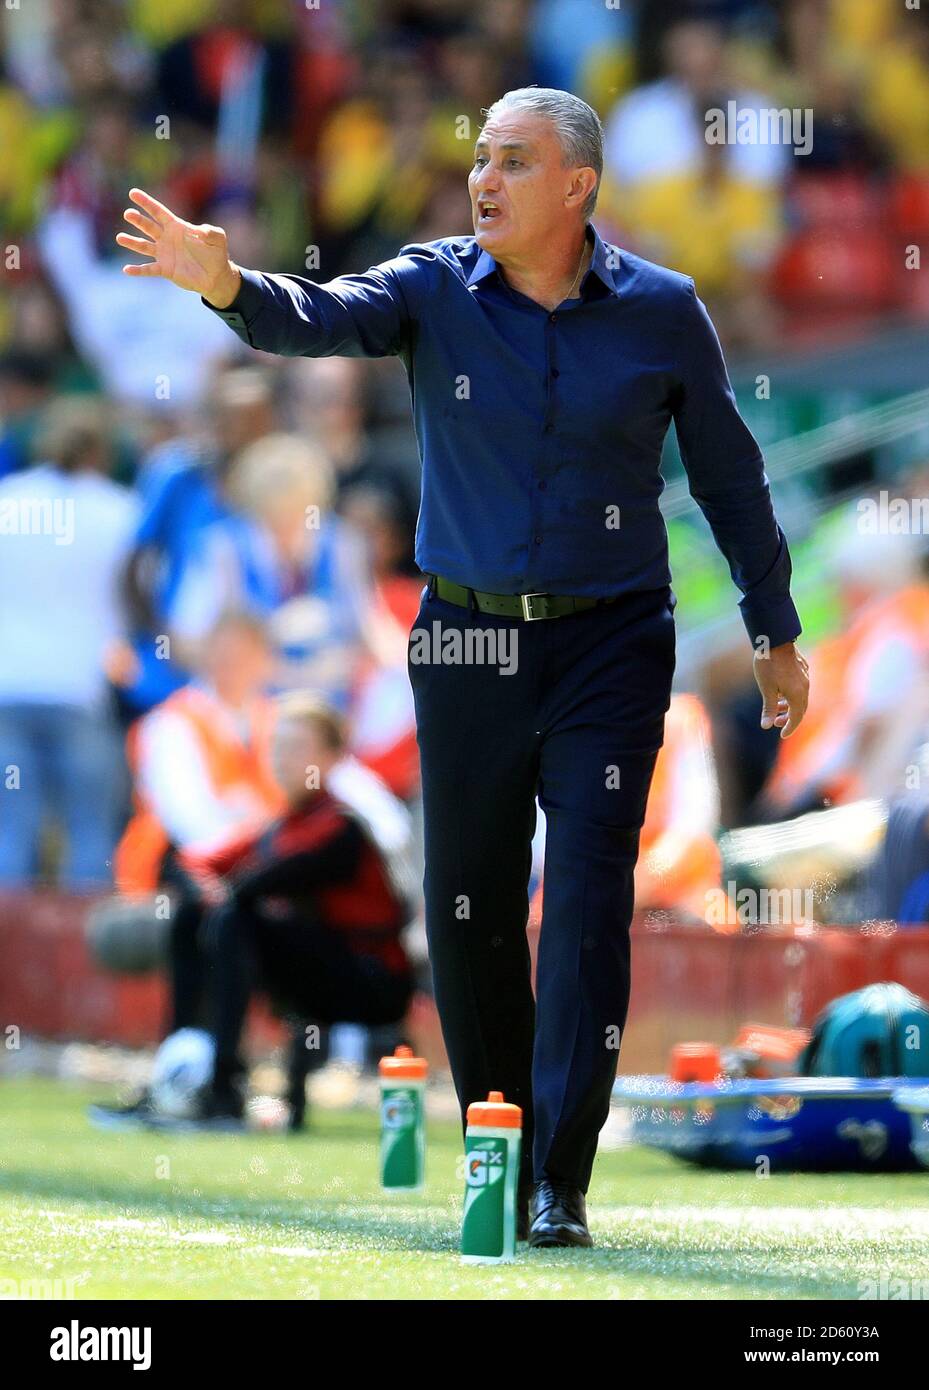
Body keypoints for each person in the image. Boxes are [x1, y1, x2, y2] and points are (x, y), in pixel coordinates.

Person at [116, 86, 809, 1247]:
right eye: (479, 156)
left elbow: (730, 480)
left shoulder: (663, 312)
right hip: (466, 639)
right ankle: (500, 1129)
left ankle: (558, 1181)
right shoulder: (432, 282)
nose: (482, 178)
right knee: (469, 905)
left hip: (610, 640)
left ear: (577, 185)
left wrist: (774, 632)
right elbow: (320, 315)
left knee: (587, 900)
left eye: (513, 161)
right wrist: (225, 285)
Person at [0, 395, 139, 889]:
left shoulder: (8, 501)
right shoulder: (123, 510)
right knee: (91, 836)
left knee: (10, 836)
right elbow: (138, 599)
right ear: (101, 449)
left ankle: (10, 964)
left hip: (9, 687)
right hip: (83, 690)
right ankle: (87, 964)